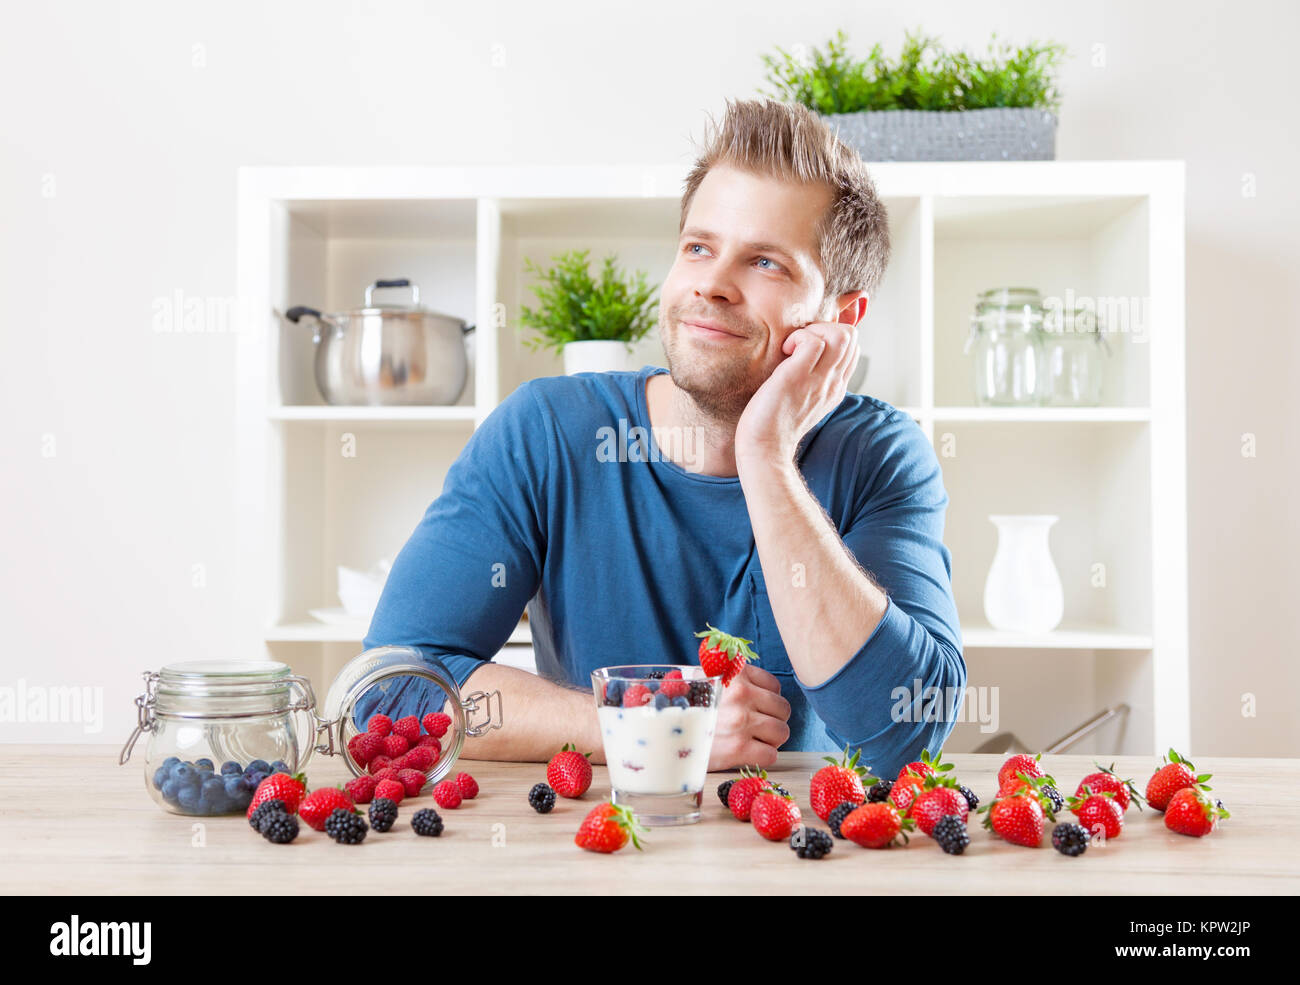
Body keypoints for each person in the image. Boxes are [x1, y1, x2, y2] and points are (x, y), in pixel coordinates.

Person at [356, 97, 964, 777]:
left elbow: (908, 735)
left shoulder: (880, 456)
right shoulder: (547, 433)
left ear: (841, 317)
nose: (712, 284)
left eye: (765, 263)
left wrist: (764, 455)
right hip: (602, 856)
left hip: (804, 858)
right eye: (699, 247)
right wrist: (651, 723)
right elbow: (391, 690)